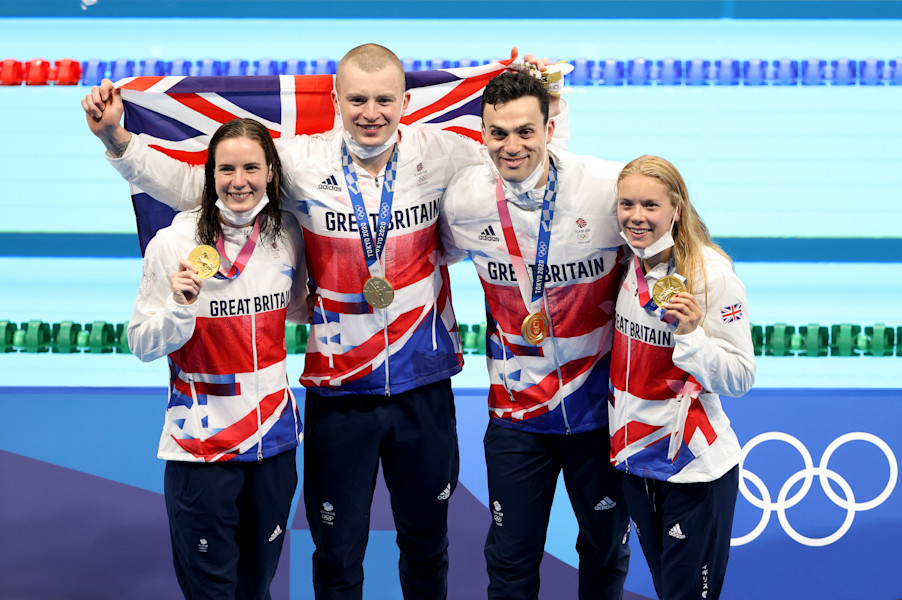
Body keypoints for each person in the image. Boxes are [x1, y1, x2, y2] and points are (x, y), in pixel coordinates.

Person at [82, 44, 561, 600]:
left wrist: (545, 96)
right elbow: (205, 186)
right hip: (340, 392)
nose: (371, 112)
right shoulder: (301, 163)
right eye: (357, 99)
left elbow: (525, 166)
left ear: (405, 101)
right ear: (336, 101)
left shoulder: (447, 154)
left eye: (384, 100)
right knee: (337, 554)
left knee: (428, 545)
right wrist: (119, 141)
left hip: (423, 385)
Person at [438, 70, 631, 600]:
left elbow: (671, 241)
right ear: (482, 135)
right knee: (510, 561)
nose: (512, 145)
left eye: (526, 131)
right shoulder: (463, 202)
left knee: (605, 550)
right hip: (517, 415)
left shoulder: (605, 189)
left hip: (601, 413)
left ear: (551, 127)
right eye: (499, 133)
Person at [124, 118, 308, 598]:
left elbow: (301, 307)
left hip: (272, 441)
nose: (239, 181)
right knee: (212, 589)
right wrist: (180, 308)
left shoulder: (286, 233)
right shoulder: (173, 244)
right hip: (201, 447)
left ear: (270, 172)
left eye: (251, 167)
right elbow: (142, 343)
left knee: (258, 584)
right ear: (210, 175)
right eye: (226, 169)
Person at [608, 155, 756, 600]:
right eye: (626, 204)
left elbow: (740, 377)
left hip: (694, 471)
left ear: (676, 207)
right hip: (636, 462)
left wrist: (692, 336)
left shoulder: (710, 275)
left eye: (650, 206)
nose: (636, 217)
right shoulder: (626, 263)